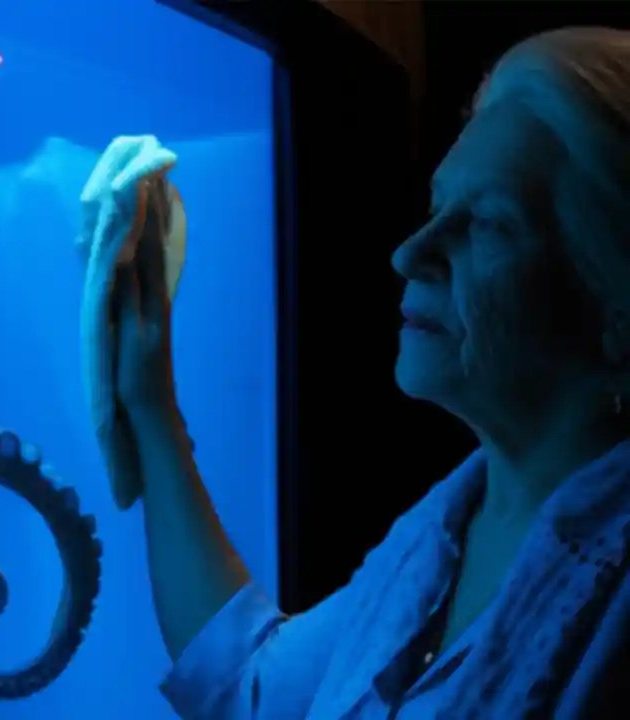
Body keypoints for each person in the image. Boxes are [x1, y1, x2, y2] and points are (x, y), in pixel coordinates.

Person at [100, 27, 630, 719]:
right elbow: (252, 690)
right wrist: (149, 398)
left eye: (490, 225)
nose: (410, 253)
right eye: (440, 209)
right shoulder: (443, 531)